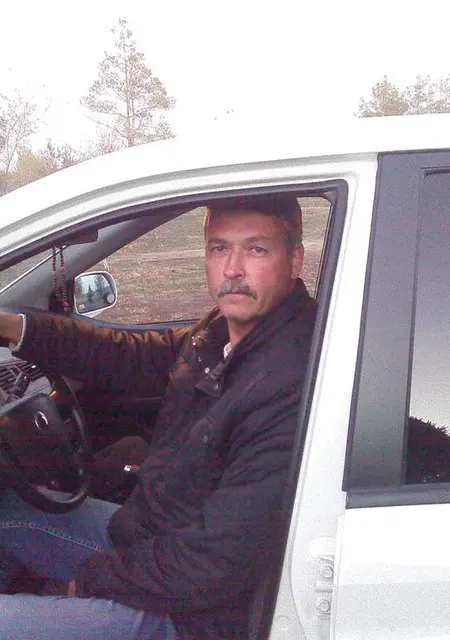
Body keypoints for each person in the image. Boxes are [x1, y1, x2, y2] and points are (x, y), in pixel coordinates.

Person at [0, 194, 316, 639]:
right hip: (156, 544)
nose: (233, 269)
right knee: (9, 517)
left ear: (295, 260)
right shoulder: (222, 337)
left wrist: (94, 579)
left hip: (195, 616)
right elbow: (127, 355)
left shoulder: (292, 377)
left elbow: (217, 562)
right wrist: (14, 327)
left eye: (257, 249)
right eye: (219, 248)